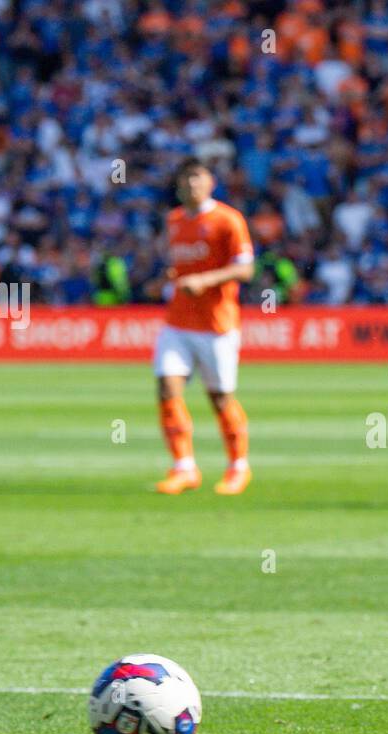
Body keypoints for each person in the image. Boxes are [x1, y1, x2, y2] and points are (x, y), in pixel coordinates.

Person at [153, 159, 256, 496]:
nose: (192, 184)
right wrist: (169, 280)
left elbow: (245, 270)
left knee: (220, 397)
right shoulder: (174, 221)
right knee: (167, 388)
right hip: (178, 321)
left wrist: (205, 279)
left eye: (197, 177)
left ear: (210, 182)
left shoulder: (228, 220)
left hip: (217, 324)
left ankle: (238, 467)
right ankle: (184, 467)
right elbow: (180, 266)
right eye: (186, 179)